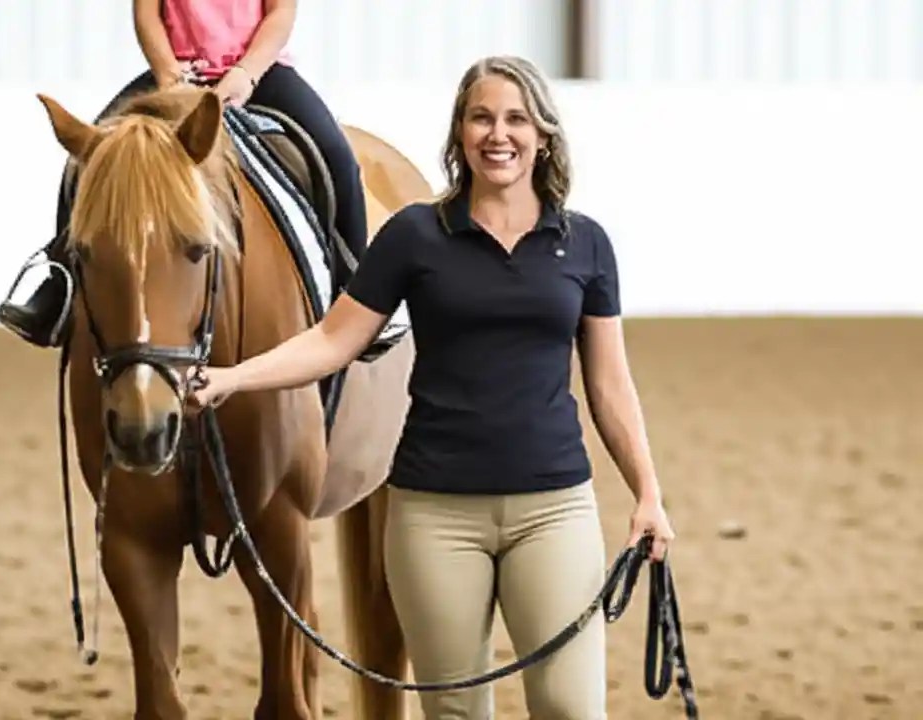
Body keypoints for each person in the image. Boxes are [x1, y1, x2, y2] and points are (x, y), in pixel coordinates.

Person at [187, 55, 676, 719]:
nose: (496, 134)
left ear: (543, 135)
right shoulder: (416, 235)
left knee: (570, 707)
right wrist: (231, 378)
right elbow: (335, 340)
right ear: (459, 134)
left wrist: (647, 491)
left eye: (514, 119)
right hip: (434, 513)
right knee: (453, 712)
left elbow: (610, 383)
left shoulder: (585, 244)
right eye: (480, 118)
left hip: (555, 507)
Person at [0, 0, 368, 343]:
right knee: (87, 160)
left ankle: (356, 287)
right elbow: (147, 15)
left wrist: (245, 73)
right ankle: (58, 286)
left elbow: (280, 13)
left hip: (256, 71)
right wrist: (168, 73)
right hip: (179, 73)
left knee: (338, 157)